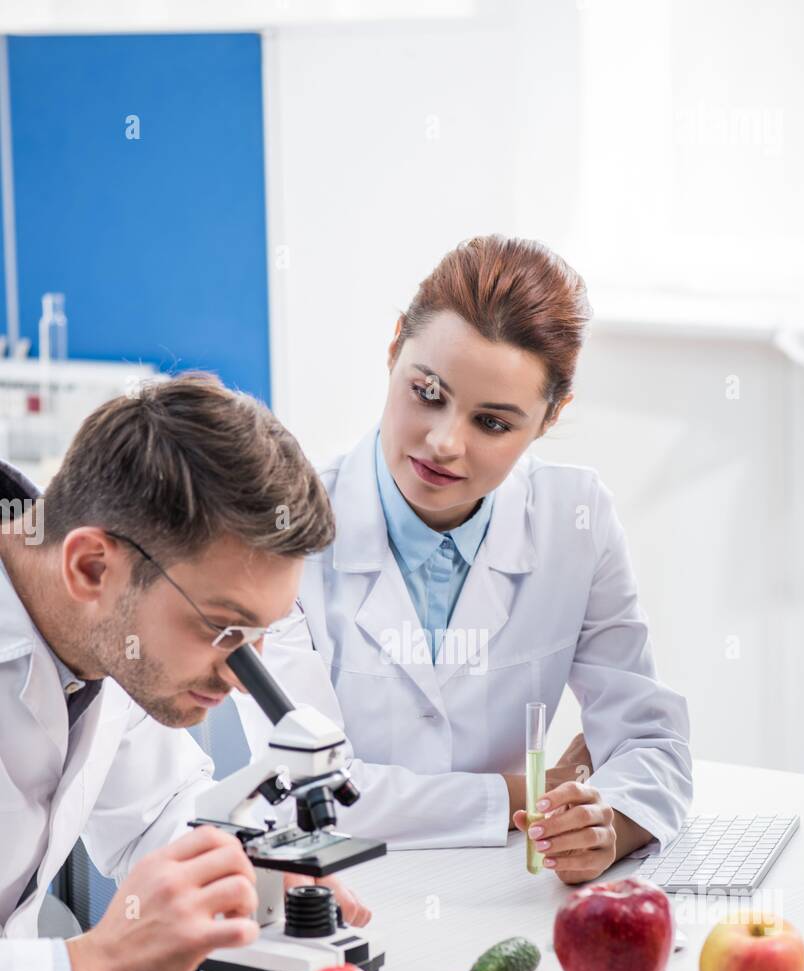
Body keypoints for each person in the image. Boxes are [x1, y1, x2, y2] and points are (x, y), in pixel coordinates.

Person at [237, 235, 692, 882]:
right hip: (346, 894)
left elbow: (648, 740)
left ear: (549, 417)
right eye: (426, 392)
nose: (445, 443)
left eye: (493, 424)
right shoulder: (284, 530)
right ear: (395, 346)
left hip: (514, 887)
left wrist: (607, 824)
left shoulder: (575, 520)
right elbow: (311, 791)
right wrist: (527, 792)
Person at [0, 373, 369, 971]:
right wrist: (85, 968)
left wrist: (248, 866)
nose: (240, 672)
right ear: (89, 567)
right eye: (223, 628)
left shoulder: (106, 633)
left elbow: (161, 816)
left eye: (260, 634)